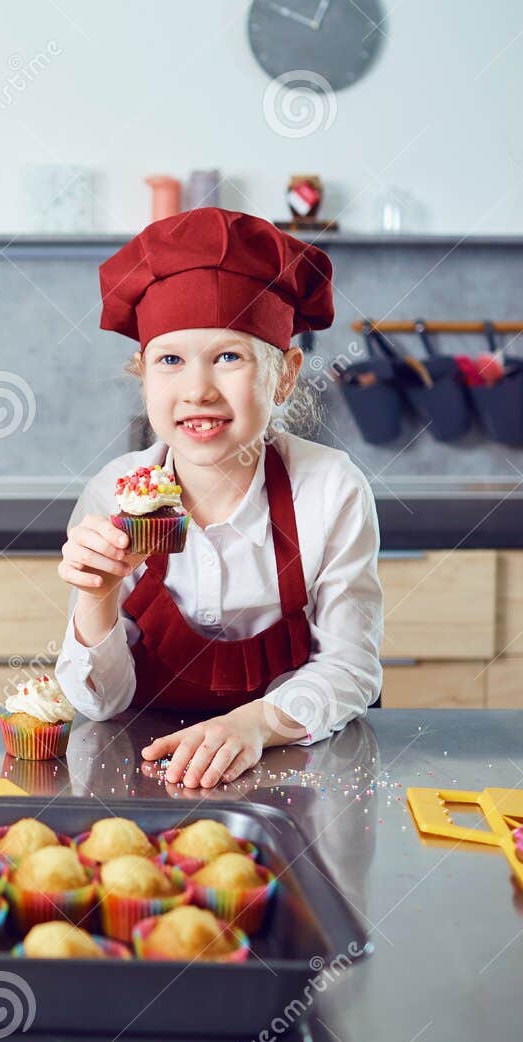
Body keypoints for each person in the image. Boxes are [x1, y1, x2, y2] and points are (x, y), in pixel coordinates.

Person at [55, 208, 383, 788]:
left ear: (283, 376)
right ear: (144, 376)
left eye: (229, 357)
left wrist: (253, 724)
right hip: (144, 767)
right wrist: (97, 599)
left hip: (294, 766)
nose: (198, 390)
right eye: (170, 361)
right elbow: (100, 705)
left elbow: (352, 665)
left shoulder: (330, 489)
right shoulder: (111, 491)